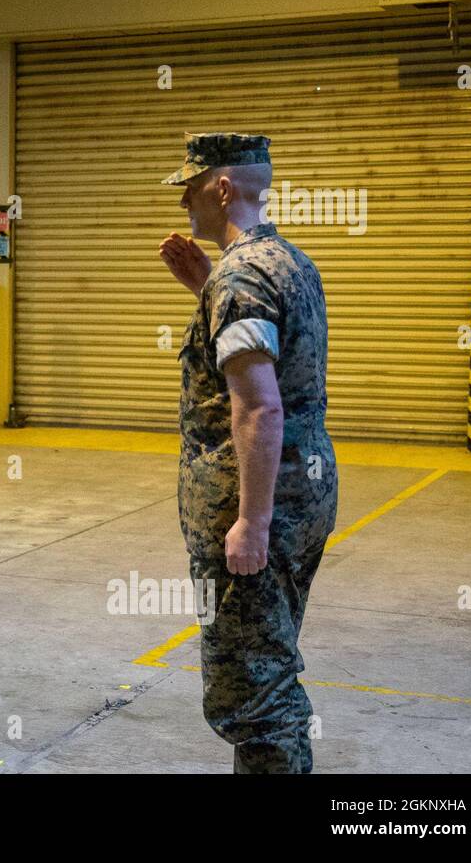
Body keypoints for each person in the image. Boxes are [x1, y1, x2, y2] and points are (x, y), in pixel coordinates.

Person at [159, 132, 338, 773]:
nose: (183, 201)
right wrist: (206, 286)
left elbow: (260, 405)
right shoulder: (285, 261)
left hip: (262, 500)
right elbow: (278, 352)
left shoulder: (241, 279)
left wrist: (250, 521)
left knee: (254, 693)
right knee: (270, 649)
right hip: (304, 488)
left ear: (223, 188)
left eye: (189, 187)